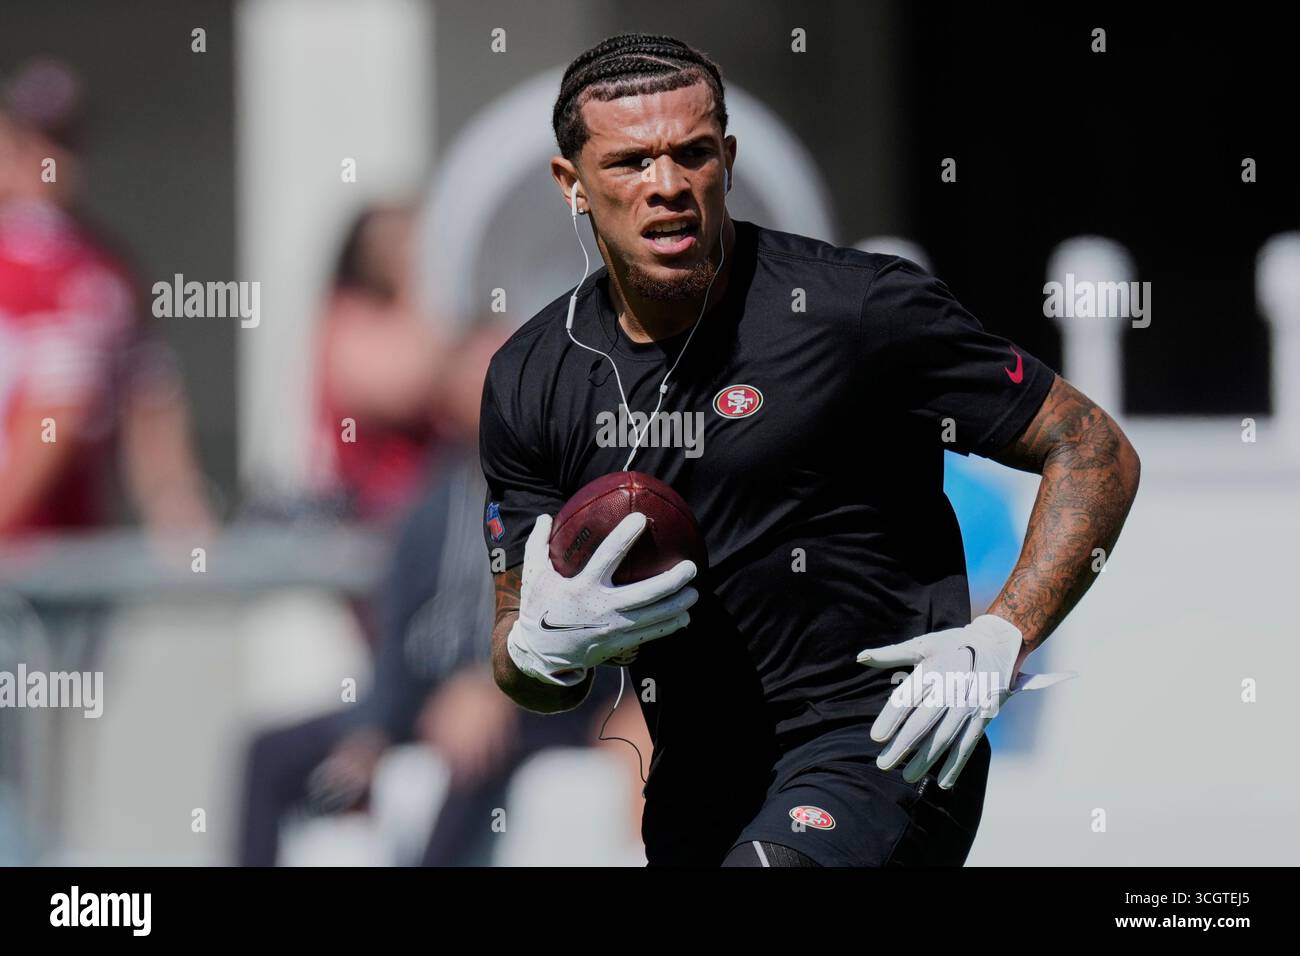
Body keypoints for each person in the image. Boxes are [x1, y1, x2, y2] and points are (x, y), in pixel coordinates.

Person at [478, 33, 1141, 867]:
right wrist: (543, 650)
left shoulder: (857, 310)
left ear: (728, 159)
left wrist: (1003, 634)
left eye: (693, 154)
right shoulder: (529, 377)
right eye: (631, 162)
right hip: (700, 779)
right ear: (570, 182)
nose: (668, 185)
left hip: (886, 742)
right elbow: (518, 656)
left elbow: (1091, 446)